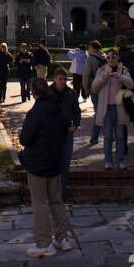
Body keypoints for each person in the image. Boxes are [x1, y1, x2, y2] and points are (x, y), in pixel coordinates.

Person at [19, 79, 73, 257]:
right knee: (57, 200)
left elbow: (25, 139)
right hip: (55, 161)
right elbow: (65, 132)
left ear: (34, 93)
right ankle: (62, 237)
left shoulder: (35, 113)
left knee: (40, 203)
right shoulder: (58, 111)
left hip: (38, 163)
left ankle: (44, 243)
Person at [90, 48, 133, 169]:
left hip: (119, 108)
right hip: (106, 109)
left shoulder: (123, 70)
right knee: (108, 136)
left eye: (113, 57)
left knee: (120, 136)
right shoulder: (102, 70)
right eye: (108, 57)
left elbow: (131, 84)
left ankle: (120, 161)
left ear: (117, 58)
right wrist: (104, 77)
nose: (111, 59)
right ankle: (108, 161)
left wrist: (120, 77)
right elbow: (94, 87)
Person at [49, 68, 80, 203]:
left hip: (67, 131)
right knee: (53, 164)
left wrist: (75, 125)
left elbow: (76, 111)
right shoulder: (48, 93)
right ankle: (52, 195)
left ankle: (61, 194)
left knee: (65, 165)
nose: (62, 82)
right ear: (55, 79)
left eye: (64, 79)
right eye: (60, 79)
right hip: (52, 133)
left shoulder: (71, 93)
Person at [83, 40, 105, 145]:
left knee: (98, 112)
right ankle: (108, 134)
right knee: (104, 111)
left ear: (94, 48)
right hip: (105, 87)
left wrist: (86, 89)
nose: (88, 49)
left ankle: (95, 136)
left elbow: (86, 75)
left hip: (94, 87)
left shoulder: (90, 59)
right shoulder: (105, 57)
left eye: (89, 48)